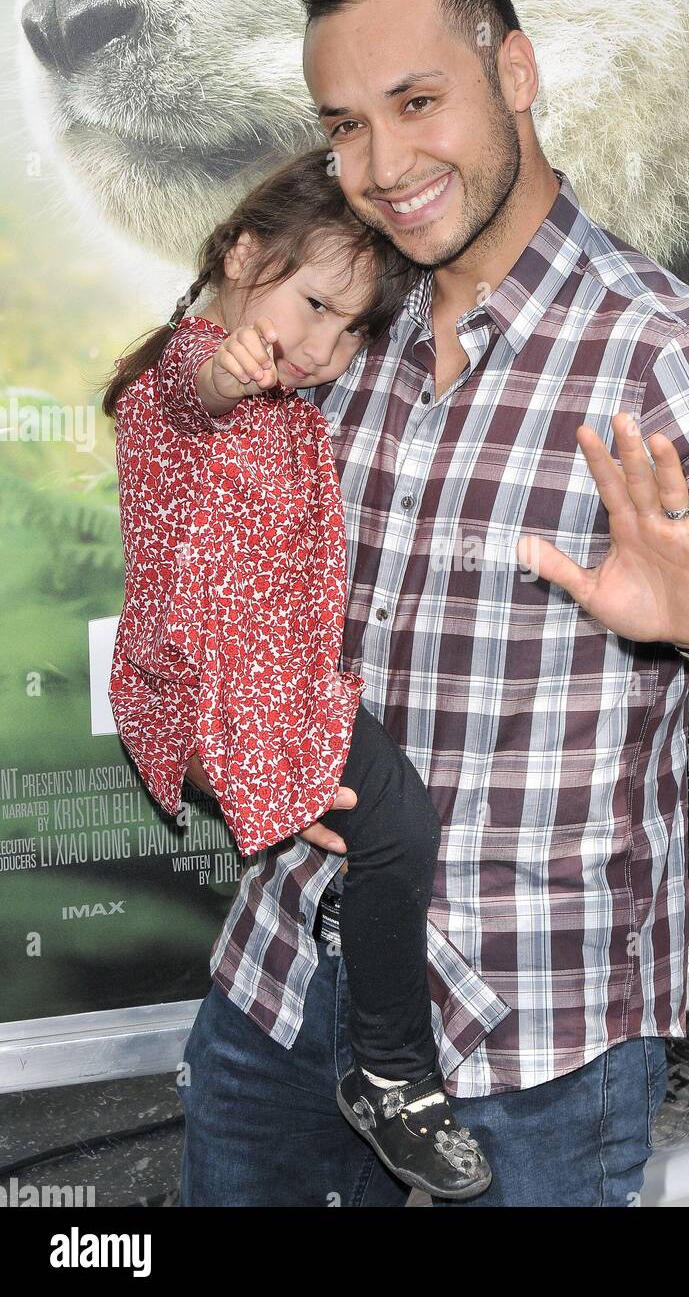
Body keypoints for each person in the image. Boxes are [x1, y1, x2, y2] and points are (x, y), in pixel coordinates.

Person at [176, 0, 689, 1207]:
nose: (384, 165)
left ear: (514, 72)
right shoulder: (343, 326)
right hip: (279, 988)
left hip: (536, 1043)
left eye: (418, 103)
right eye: (344, 124)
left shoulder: (659, 353)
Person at [102, 148, 493, 1200]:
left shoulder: (297, 397)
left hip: (271, 686)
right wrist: (225, 372)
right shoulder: (181, 381)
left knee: (383, 833)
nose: (322, 346)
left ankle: (381, 1064)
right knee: (400, 823)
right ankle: (392, 1070)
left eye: (349, 327)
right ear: (242, 253)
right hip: (229, 692)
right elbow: (186, 396)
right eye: (313, 303)